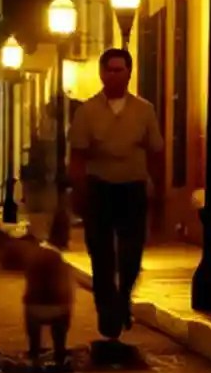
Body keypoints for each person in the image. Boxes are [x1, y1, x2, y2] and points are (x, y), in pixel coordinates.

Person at [67, 48, 164, 343]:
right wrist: (79, 191)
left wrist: (158, 191)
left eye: (119, 70)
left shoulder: (144, 110)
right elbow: (78, 155)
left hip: (132, 188)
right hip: (99, 188)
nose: (114, 75)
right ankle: (107, 312)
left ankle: (123, 300)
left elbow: (156, 152)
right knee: (101, 256)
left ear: (129, 73)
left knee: (132, 255)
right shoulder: (87, 111)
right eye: (109, 70)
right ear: (101, 73)